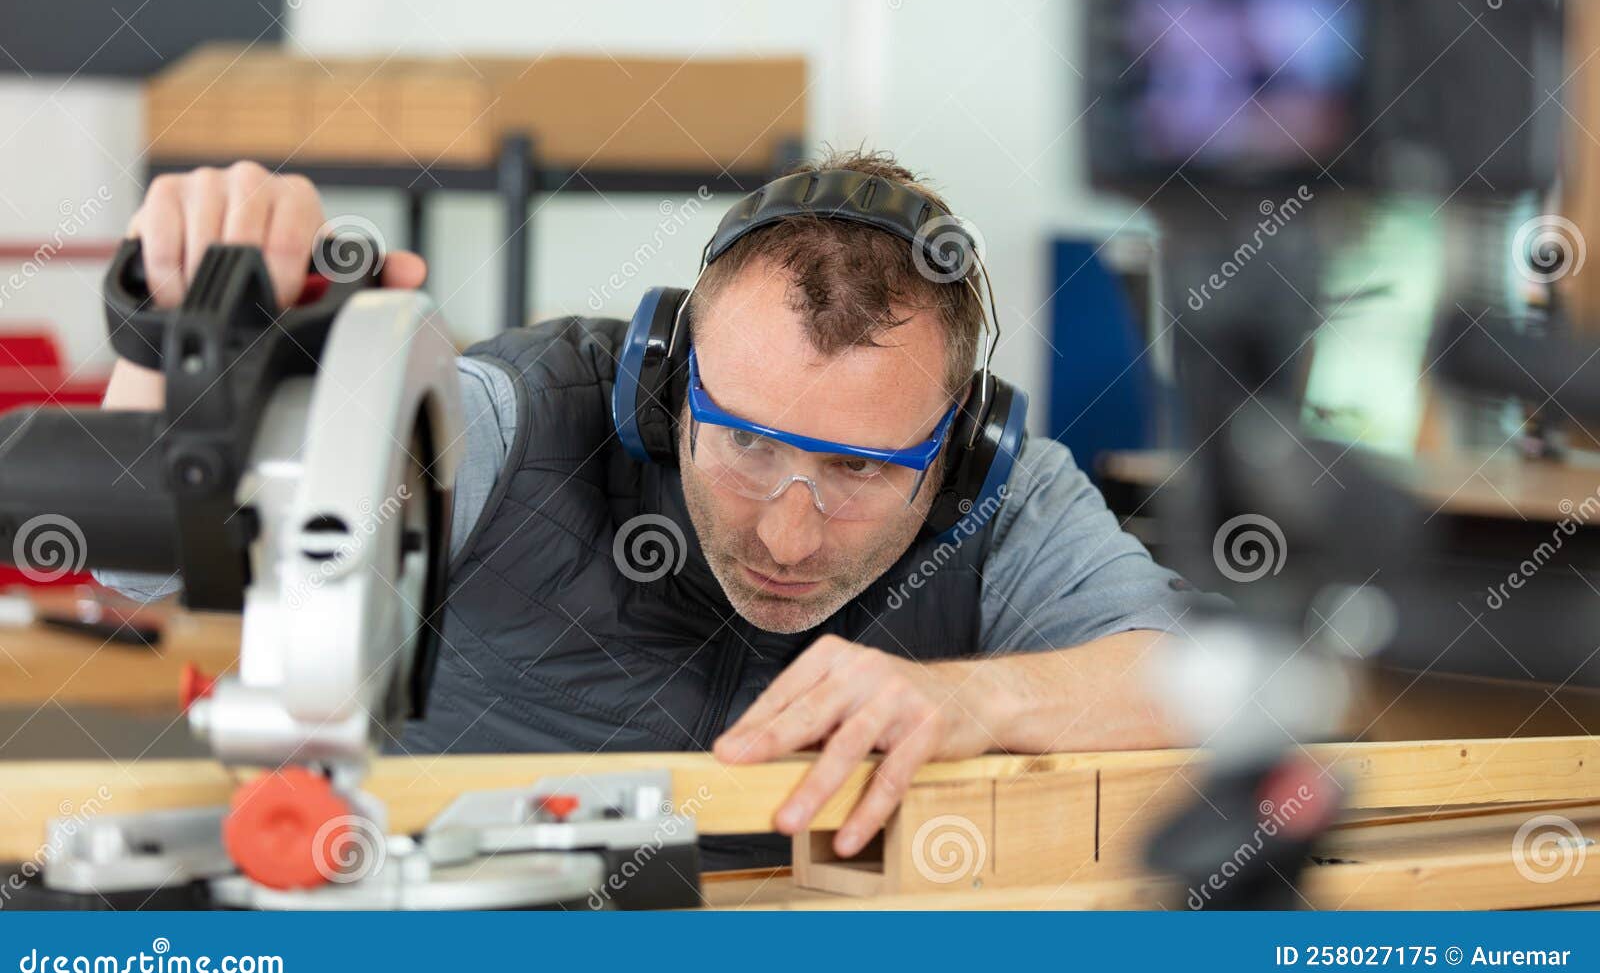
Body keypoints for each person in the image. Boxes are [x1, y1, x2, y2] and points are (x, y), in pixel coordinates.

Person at [98, 149, 1198, 868]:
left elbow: (1199, 686)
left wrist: (975, 701)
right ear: (662, 382)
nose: (786, 534)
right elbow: (143, 561)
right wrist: (177, 328)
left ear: (961, 446)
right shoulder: (510, 419)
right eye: (748, 443)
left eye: (861, 470)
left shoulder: (1002, 503)